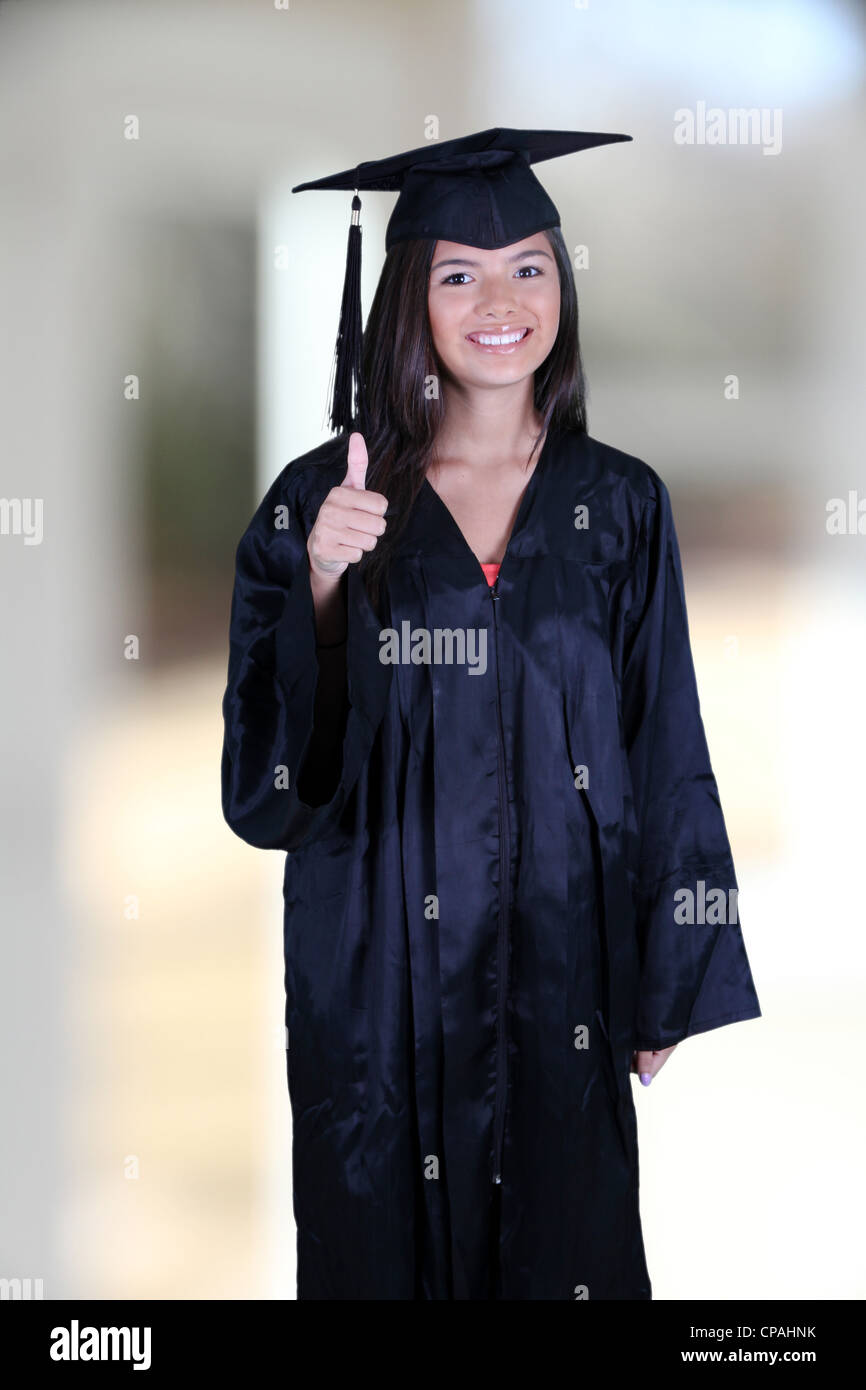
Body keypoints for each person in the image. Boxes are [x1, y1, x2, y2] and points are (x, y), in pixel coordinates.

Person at [220, 128, 762, 1300]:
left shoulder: (617, 504)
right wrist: (320, 584)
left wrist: (666, 965)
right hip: (375, 979)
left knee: (563, 1244)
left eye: (529, 265)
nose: (500, 300)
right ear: (408, 302)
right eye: (457, 273)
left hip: (559, 971)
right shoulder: (322, 500)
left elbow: (662, 733)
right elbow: (270, 782)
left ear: (561, 286)